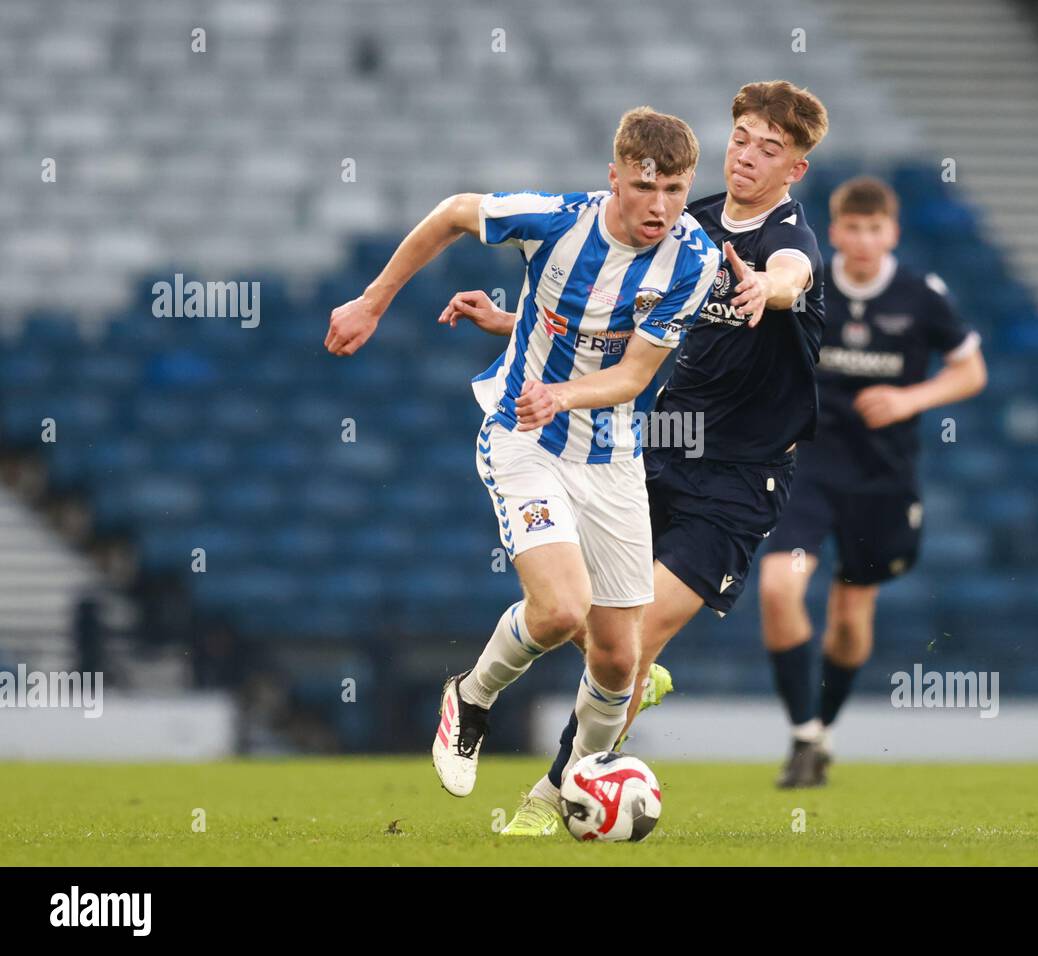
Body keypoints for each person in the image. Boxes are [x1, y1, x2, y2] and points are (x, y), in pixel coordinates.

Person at [442, 80, 830, 832]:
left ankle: (554, 799)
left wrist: (768, 291)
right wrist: (512, 321)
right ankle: (604, 690)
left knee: (637, 637)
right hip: (651, 448)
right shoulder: (688, 220)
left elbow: (793, 277)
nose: (748, 156)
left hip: (741, 478)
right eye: (743, 138)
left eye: (770, 149)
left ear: (796, 170)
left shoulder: (790, 242)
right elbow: (611, 313)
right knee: (595, 631)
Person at [324, 107, 722, 799]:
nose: (659, 207)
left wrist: (556, 384)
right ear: (613, 178)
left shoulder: (694, 258)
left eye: (675, 190)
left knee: (620, 659)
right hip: (523, 438)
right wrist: (372, 300)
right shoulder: (558, 219)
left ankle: (580, 785)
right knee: (563, 610)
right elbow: (452, 212)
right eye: (643, 187)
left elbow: (631, 375)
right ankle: (471, 700)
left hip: (612, 457)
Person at [758, 175, 988, 787]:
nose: (862, 240)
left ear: (892, 232)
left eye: (874, 228)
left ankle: (821, 734)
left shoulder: (920, 296)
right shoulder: (808, 283)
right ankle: (803, 732)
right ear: (833, 232)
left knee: (850, 615)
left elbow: (970, 372)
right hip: (807, 469)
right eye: (851, 228)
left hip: (882, 479)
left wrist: (910, 398)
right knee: (780, 587)